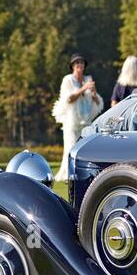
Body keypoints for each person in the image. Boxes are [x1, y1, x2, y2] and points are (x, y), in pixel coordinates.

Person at [53, 53, 103, 182]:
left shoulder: (87, 79)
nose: (80, 65)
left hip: (86, 121)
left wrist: (93, 94)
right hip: (72, 121)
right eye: (77, 63)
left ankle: (85, 175)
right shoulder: (68, 80)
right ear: (73, 66)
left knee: (86, 148)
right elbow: (68, 99)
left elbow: (98, 103)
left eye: (81, 63)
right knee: (71, 148)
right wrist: (83, 89)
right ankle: (68, 175)